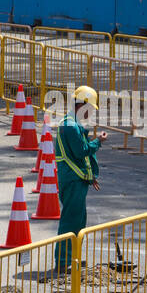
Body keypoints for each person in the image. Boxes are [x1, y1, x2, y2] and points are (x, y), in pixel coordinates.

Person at [54, 84, 106, 272]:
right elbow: (81, 151)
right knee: (70, 221)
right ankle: (63, 262)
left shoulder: (73, 125)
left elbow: (80, 156)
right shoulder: (70, 127)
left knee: (78, 221)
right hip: (72, 180)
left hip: (77, 179)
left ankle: (72, 259)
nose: (90, 113)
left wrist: (90, 176)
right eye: (90, 109)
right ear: (81, 105)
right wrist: (98, 141)